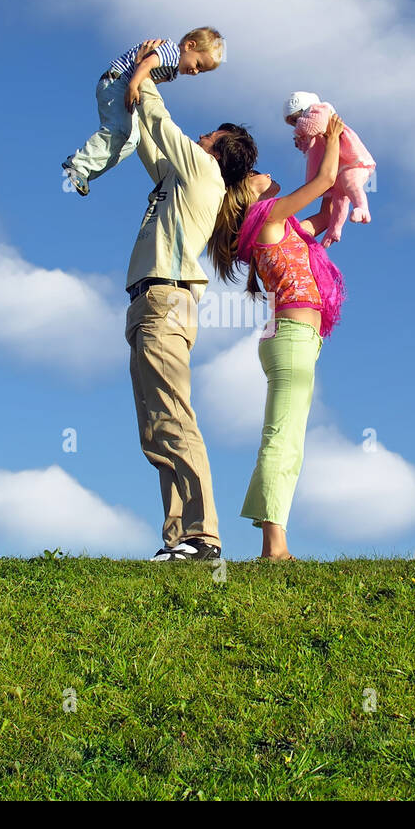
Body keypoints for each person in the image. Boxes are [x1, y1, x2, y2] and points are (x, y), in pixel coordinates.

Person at [126, 71, 257, 562]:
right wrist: (127, 102)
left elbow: (160, 120)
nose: (200, 138)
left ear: (217, 153)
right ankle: (179, 539)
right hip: (147, 302)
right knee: (156, 427)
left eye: (209, 137)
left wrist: (145, 72)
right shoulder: (179, 177)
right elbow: (147, 136)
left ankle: (204, 537)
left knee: (175, 418)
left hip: (165, 301)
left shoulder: (203, 172)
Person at [205, 113, 347, 560]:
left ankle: (275, 541)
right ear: (246, 193)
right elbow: (324, 181)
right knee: (282, 438)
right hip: (290, 336)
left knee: (288, 438)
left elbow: (323, 212)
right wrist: (332, 139)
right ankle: (274, 547)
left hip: (294, 337)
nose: (264, 174)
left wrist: (337, 168)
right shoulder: (267, 218)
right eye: (253, 175)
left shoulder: (280, 226)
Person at [62, 28, 226, 197]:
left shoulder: (172, 71)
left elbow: (148, 81)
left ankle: (86, 171)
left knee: (131, 141)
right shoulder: (170, 52)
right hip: (117, 83)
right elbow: (145, 65)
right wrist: (133, 85)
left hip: (124, 87)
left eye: (201, 71)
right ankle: (78, 165)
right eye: (198, 64)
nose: (195, 71)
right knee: (117, 130)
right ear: (190, 46)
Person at [283, 91, 374, 245]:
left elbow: (315, 126)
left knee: (350, 182)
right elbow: (312, 143)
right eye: (293, 122)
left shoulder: (321, 110)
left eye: (296, 118)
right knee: (339, 199)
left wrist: (301, 133)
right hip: (336, 167)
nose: (296, 124)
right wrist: (302, 142)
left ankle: (362, 208)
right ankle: (334, 230)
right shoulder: (309, 127)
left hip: (349, 160)